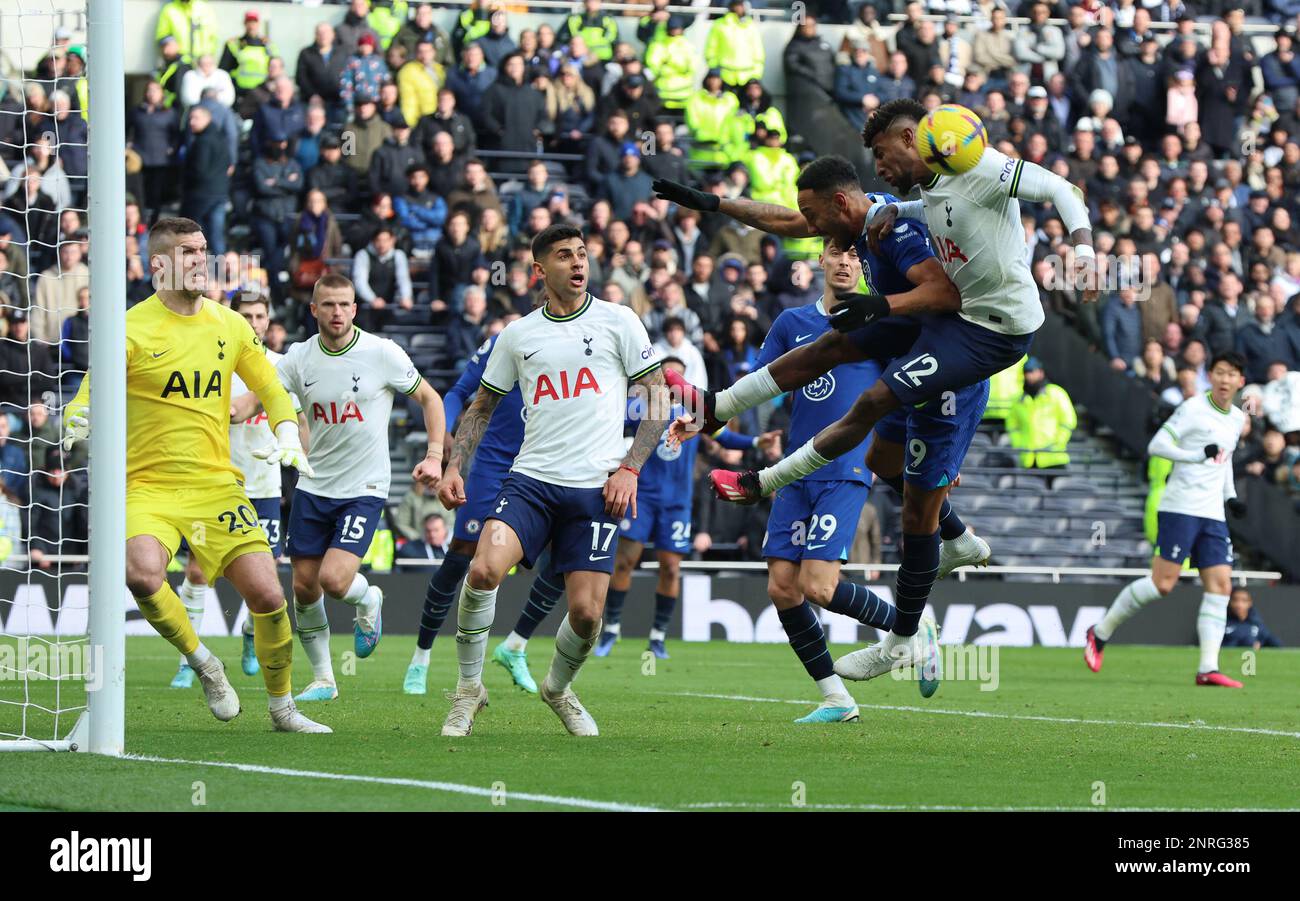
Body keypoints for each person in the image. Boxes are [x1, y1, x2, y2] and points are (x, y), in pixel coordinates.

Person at [657, 99, 1094, 674]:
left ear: (913, 141)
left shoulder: (962, 184)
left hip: (976, 341)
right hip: (930, 334)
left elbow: (948, 289)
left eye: (883, 154)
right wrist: (713, 202)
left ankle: (899, 633)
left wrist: (1083, 249)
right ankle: (720, 408)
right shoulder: (902, 204)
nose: (878, 166)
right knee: (844, 379)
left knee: (907, 490)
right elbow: (796, 219)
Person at [62, 218, 326, 733]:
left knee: (270, 597)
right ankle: (204, 661)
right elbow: (93, 387)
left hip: (214, 484)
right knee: (140, 573)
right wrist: (78, 413)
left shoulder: (229, 325)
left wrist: (287, 433)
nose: (201, 260)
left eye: (204, 249)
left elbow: (271, 388)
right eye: (187, 251)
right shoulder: (129, 326)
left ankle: (283, 709)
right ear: (158, 263)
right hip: (145, 485)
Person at [436, 224, 670, 737]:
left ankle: (558, 689)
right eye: (565, 255)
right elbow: (482, 406)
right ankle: (469, 690)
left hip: (596, 488)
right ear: (540, 271)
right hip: (531, 482)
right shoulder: (518, 335)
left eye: (583, 253)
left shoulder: (620, 321)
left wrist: (630, 466)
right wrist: (454, 465)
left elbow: (658, 398)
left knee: (587, 614)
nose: (578, 262)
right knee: (483, 570)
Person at [275, 273, 446, 702]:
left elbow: (430, 398)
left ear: (355, 308)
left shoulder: (381, 353)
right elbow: (261, 394)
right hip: (314, 486)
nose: (337, 312)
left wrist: (435, 454)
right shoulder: (298, 359)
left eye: (344, 304)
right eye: (328, 305)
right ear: (313, 310)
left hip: (364, 486)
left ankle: (369, 599)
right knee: (303, 586)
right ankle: (324, 680)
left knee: (335, 580)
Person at [403, 325, 569, 697]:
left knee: (565, 556)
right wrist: (442, 436)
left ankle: (515, 646)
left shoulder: (586, 340)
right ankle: (421, 657)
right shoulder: (506, 340)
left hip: (548, 468)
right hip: (494, 466)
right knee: (462, 555)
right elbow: (460, 391)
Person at [1086, 352, 1251, 689]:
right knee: (1163, 584)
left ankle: (1208, 667)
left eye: (1231, 374)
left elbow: (1225, 459)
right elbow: (1157, 444)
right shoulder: (1192, 408)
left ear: (1240, 381)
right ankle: (1100, 632)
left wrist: (1231, 495)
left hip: (1213, 514)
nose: (1224, 380)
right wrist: (1193, 456)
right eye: (1219, 373)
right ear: (1211, 376)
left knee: (1221, 585)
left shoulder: (1236, 418)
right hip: (1180, 507)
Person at [169, 296, 307, 688]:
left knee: (265, 577)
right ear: (233, 318)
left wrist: (305, 461)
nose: (254, 321)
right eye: (245, 316)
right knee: (197, 570)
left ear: (268, 320)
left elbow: (296, 420)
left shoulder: (280, 366)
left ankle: (249, 634)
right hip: (215, 482)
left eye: (260, 315)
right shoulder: (211, 360)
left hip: (264, 486)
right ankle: (187, 661)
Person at [1006, 357, 1077, 469]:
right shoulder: (1019, 399)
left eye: (1032, 371)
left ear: (1041, 372)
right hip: (1029, 459)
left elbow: (1068, 420)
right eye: (1027, 372)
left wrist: (1058, 442)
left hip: (1054, 457)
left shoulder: (1056, 393)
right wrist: (1019, 444)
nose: (1029, 376)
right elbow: (1012, 424)